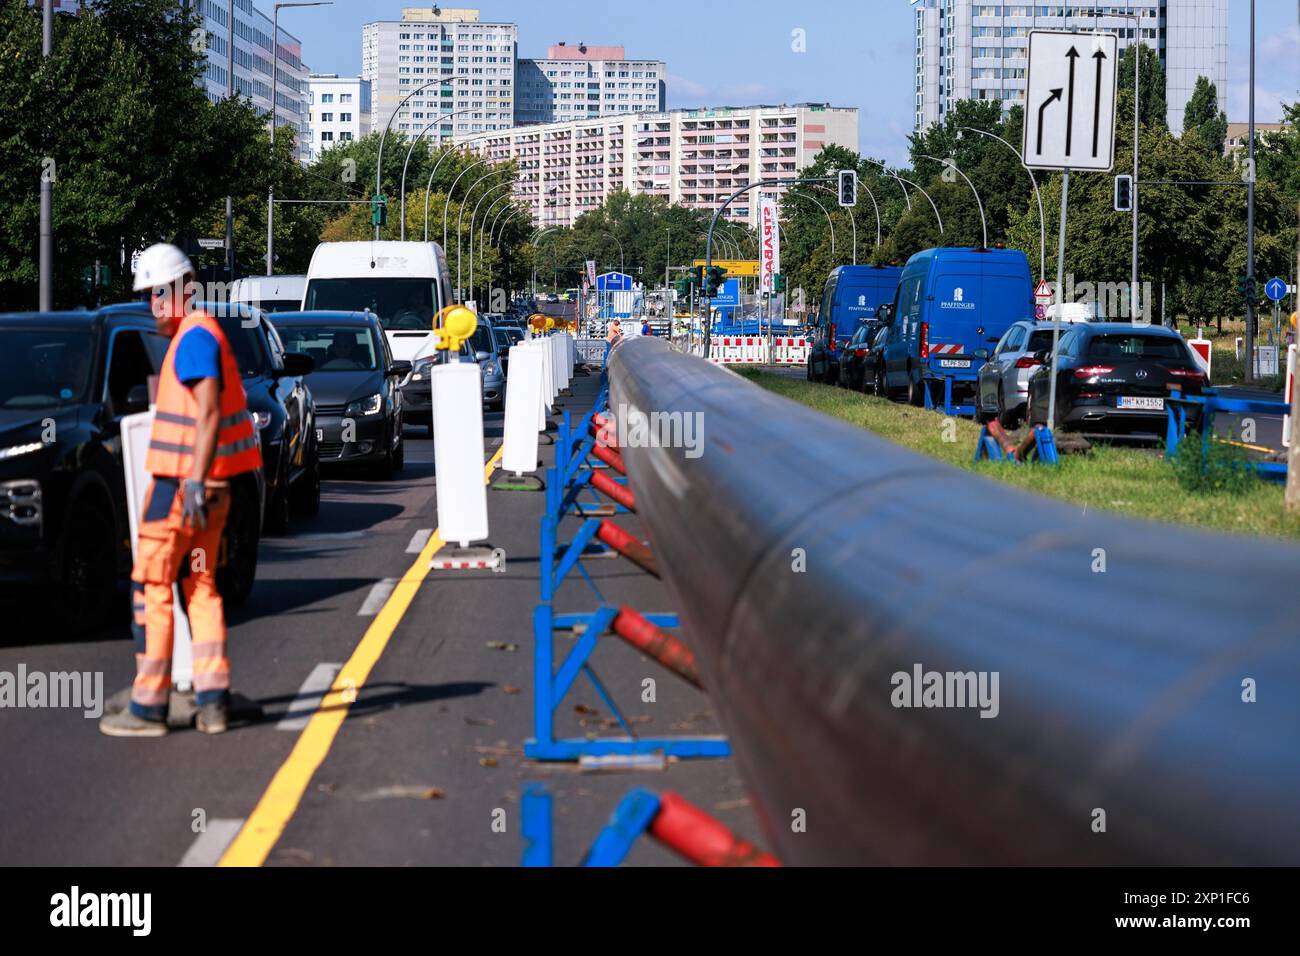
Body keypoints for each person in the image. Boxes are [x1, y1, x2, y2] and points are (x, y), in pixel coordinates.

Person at [99, 244, 262, 737]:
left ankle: (149, 705)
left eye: (156, 294)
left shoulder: (193, 337)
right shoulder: (199, 336)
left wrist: (191, 479)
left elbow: (208, 411)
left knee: (152, 588)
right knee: (201, 586)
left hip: (180, 491)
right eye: (148, 296)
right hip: (208, 491)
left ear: (180, 290)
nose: (152, 307)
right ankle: (213, 704)